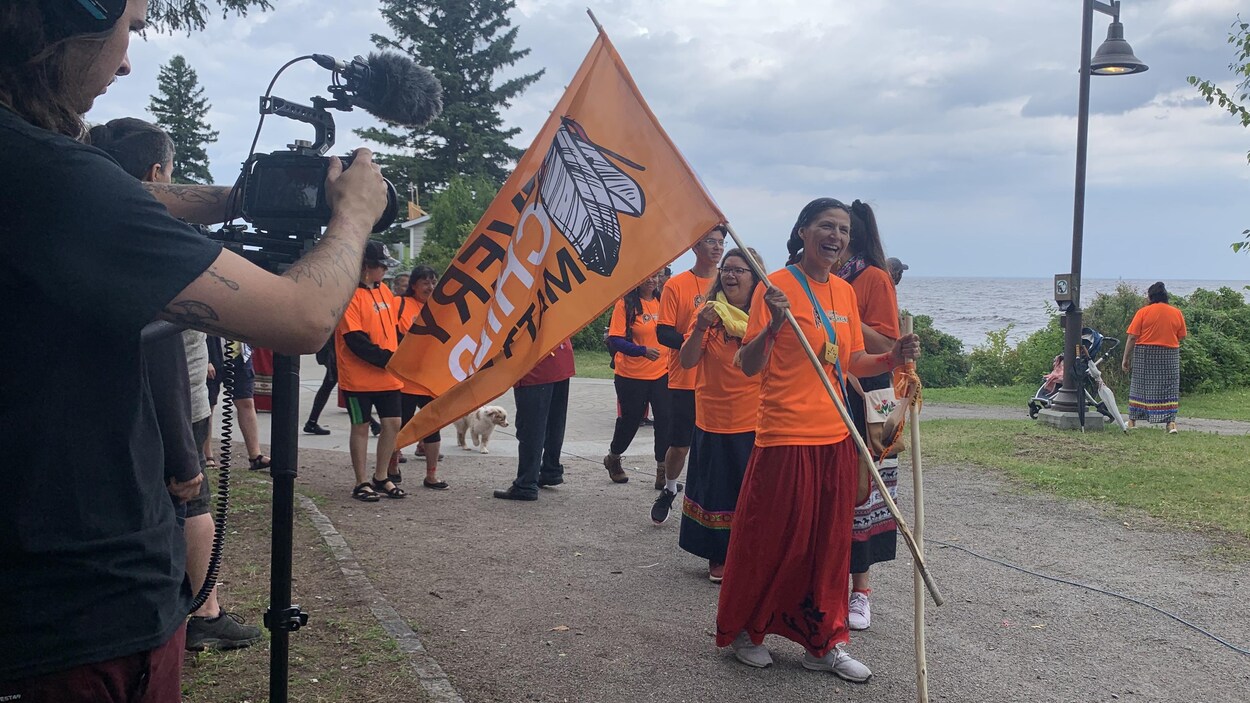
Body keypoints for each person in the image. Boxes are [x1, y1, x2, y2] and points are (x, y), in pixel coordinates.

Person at [0, 1, 389, 696]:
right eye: (131, 31)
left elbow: (118, 195)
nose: (125, 60)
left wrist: (244, 195)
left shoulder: (31, 165)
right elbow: (302, 316)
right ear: (62, 27)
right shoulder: (48, 175)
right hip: (79, 616)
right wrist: (355, 214)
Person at [714, 197, 920, 683]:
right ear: (803, 231)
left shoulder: (845, 294)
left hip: (836, 435)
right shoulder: (776, 287)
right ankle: (747, 631)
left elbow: (849, 363)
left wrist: (892, 357)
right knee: (770, 539)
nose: (837, 236)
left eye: (844, 230)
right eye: (826, 226)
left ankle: (825, 641)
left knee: (828, 546)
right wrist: (774, 326)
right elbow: (748, 364)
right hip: (784, 435)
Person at [89, 116, 262, 650]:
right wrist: (186, 460)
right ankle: (203, 611)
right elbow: (159, 343)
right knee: (192, 500)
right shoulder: (152, 239)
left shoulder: (81, 224)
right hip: (169, 406)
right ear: (159, 172)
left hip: (106, 414)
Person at [675, 248, 764, 580]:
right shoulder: (709, 313)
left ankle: (753, 553)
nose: (731, 275)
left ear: (755, 278)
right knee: (716, 490)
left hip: (755, 419)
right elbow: (686, 362)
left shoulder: (764, 317)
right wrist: (699, 328)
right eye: (727, 269)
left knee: (751, 492)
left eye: (740, 270)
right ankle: (719, 556)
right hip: (712, 418)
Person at [837, 200, 902, 631]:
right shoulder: (820, 280)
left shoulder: (872, 278)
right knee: (834, 488)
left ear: (851, 236)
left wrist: (842, 315)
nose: (833, 238)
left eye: (840, 230)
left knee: (868, 492)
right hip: (835, 390)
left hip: (877, 396)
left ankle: (861, 591)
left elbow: (888, 346)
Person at [655, 228, 725, 503]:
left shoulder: (728, 281)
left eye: (721, 243)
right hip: (685, 377)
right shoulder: (677, 284)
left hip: (720, 379)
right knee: (681, 443)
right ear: (695, 247)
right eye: (711, 242)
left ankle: (708, 494)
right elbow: (663, 333)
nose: (717, 248)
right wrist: (696, 341)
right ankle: (670, 487)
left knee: (714, 442)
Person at [336, 242, 408, 501]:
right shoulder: (349, 296)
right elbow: (355, 340)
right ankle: (360, 481)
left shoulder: (386, 293)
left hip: (389, 376)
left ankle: (381, 476)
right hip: (358, 379)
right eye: (381, 267)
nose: (385, 272)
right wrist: (387, 359)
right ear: (367, 267)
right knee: (361, 426)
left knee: (393, 424)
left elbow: (396, 329)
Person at [603, 274, 669, 484]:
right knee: (630, 421)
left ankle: (662, 470)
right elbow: (615, 340)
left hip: (662, 371)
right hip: (631, 374)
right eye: (648, 276)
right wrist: (641, 351)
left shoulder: (663, 301)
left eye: (657, 276)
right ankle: (613, 457)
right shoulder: (625, 304)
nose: (652, 280)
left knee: (665, 421)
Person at [494, 338, 576, 501]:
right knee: (555, 421)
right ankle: (550, 470)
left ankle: (526, 483)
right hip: (561, 354)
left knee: (531, 426)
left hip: (534, 362)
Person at [394, 265, 448, 489]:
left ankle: (431, 475)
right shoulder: (400, 304)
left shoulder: (439, 309)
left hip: (429, 381)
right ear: (414, 285)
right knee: (399, 427)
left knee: (433, 427)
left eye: (433, 282)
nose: (430, 287)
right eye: (425, 282)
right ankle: (391, 468)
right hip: (404, 380)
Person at [1123, 282, 1187, 433]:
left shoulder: (1143, 312)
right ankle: (1171, 423)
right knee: (1169, 388)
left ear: (1150, 296)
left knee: (1139, 387)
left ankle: (1132, 421)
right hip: (1169, 354)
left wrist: (1125, 358)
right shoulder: (1176, 312)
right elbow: (1181, 336)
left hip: (1145, 353)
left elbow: (1132, 337)